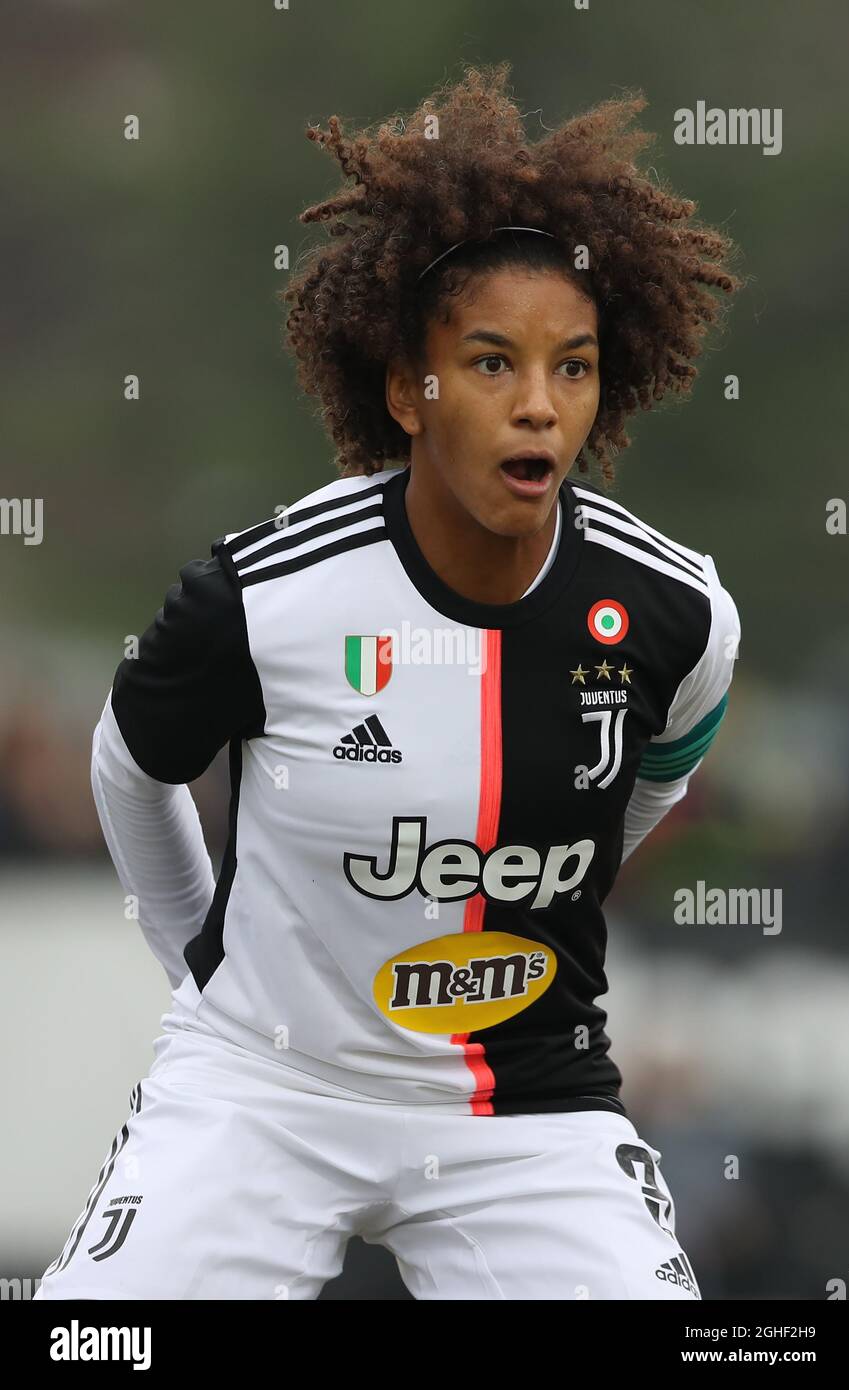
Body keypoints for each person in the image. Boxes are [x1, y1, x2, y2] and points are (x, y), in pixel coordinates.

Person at [37, 63, 741, 1300]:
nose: (536, 407)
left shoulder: (677, 615)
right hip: (265, 1084)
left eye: (570, 367)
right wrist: (193, 958)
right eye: (488, 364)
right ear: (405, 389)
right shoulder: (259, 600)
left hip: (520, 1105)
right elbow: (128, 766)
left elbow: (654, 774)